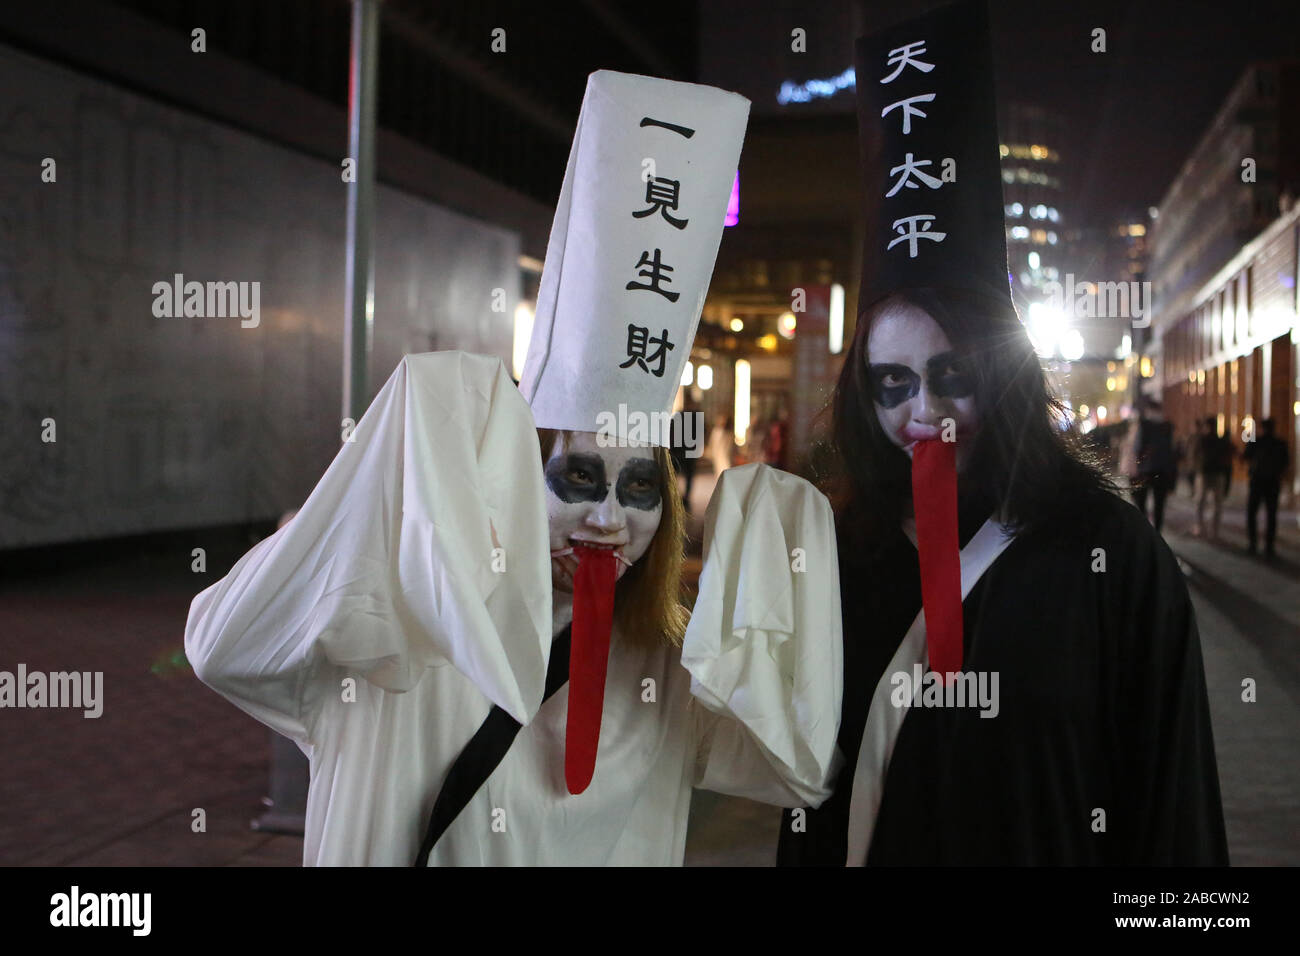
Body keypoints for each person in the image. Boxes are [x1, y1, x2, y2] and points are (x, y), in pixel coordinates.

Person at [186, 72, 842, 865]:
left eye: (640, 491)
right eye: (577, 480)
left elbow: (796, 765)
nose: (609, 520)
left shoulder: (666, 675)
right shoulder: (396, 636)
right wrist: (389, 467)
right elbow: (226, 644)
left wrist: (777, 538)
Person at [777, 0, 1227, 866]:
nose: (925, 413)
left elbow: (1173, 799)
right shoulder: (835, 556)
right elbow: (805, 801)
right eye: (893, 383)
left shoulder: (1110, 551)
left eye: (957, 377)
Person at [1244, 418, 1289, 558]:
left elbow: (1245, 456)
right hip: (1272, 483)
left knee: (1252, 512)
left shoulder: (1256, 442)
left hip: (1257, 481)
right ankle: (1269, 546)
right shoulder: (1280, 444)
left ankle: (1253, 543)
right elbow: (1285, 463)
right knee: (1271, 515)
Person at [1131, 399, 1176, 532]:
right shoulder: (1167, 426)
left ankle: (1145, 532)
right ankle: (1157, 533)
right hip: (1162, 470)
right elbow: (1171, 450)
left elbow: (1137, 448)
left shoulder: (1144, 425)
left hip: (1145, 470)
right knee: (1159, 505)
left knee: (1142, 504)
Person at [1196, 416, 1234, 539]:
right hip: (1215, 472)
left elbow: (1197, 454)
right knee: (1215, 503)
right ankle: (1213, 529)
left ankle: (1202, 527)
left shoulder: (1204, 439)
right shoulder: (1219, 440)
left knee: (1202, 501)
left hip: (1207, 472)